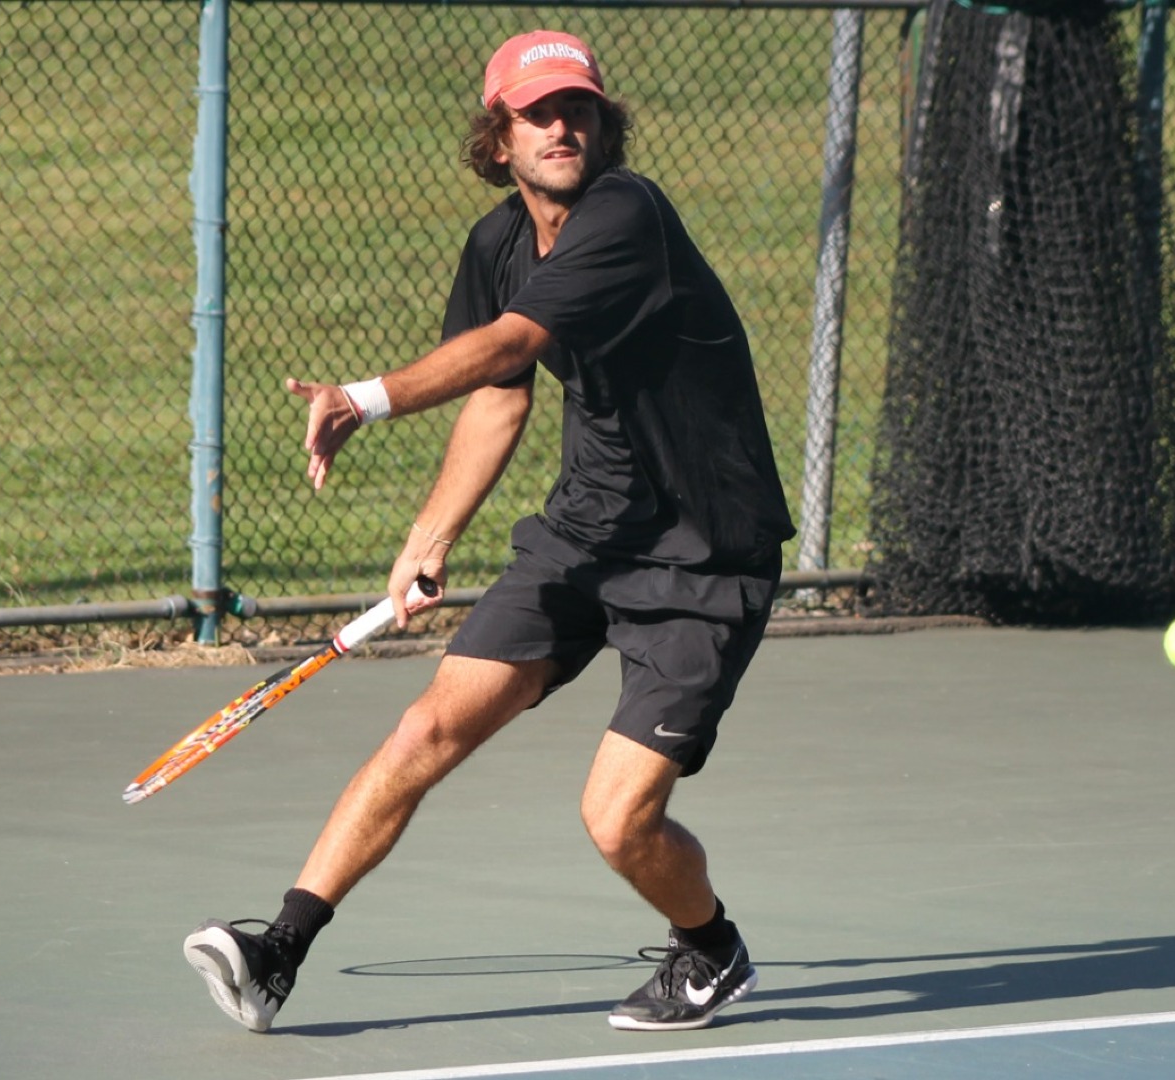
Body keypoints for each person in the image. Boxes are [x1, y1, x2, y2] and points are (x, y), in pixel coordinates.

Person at [182, 29, 795, 1034]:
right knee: (426, 728)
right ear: (497, 137)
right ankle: (277, 951)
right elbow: (500, 399)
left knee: (616, 820)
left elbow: (511, 343)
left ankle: (712, 951)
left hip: (704, 555)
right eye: (537, 112)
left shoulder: (625, 214)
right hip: (585, 535)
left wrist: (364, 399)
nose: (562, 126)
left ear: (603, 124)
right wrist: (431, 535)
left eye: (578, 109)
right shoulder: (497, 243)